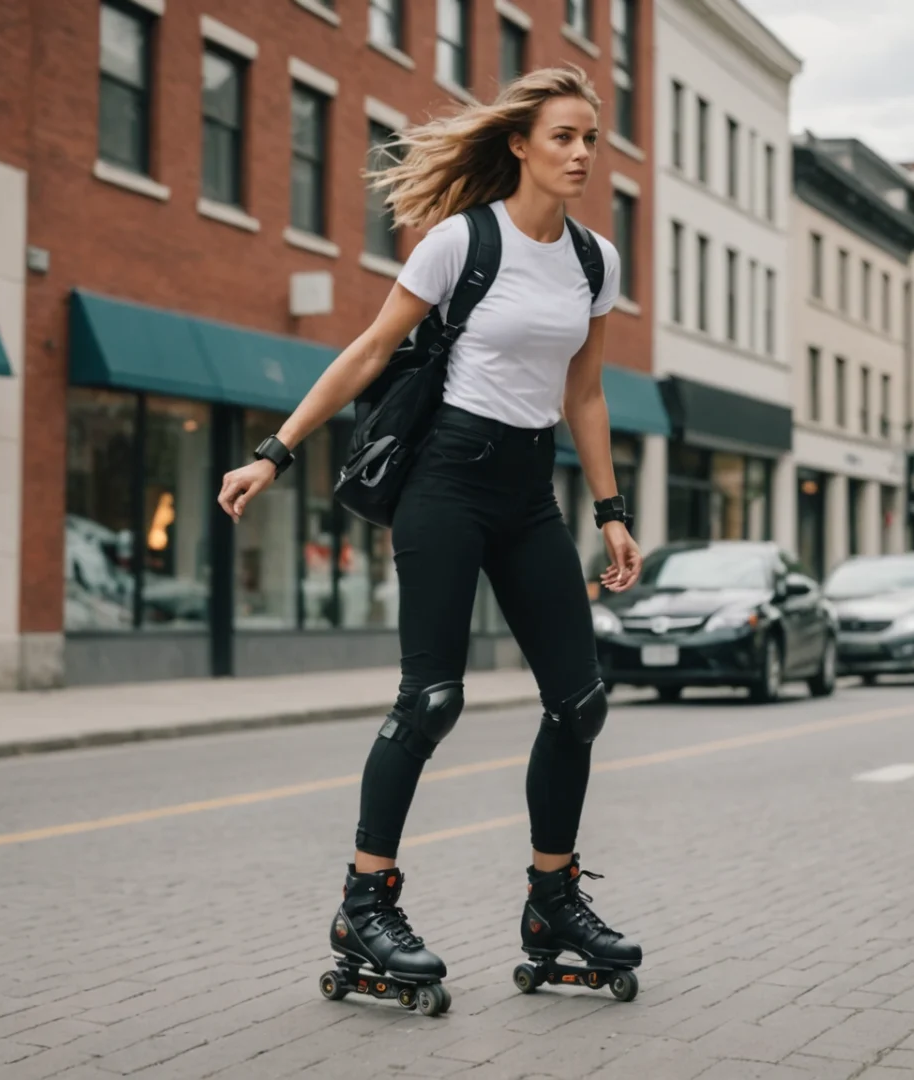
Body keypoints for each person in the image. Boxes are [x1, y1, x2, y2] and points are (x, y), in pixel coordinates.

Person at [215, 66, 642, 1012]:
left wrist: (610, 513)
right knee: (433, 696)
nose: (581, 154)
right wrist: (272, 454)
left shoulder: (594, 261)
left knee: (580, 703)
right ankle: (366, 904)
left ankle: (553, 903)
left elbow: (584, 393)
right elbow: (369, 349)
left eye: (591, 139)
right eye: (564, 137)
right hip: (446, 478)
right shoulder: (463, 241)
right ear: (522, 146)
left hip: (530, 490)